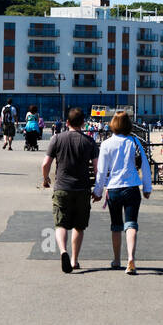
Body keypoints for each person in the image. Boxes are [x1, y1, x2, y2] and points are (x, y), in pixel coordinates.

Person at [42, 107, 100, 274]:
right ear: (83, 123)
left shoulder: (57, 139)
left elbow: (45, 164)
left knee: (61, 224)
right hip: (82, 188)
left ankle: (63, 251)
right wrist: (98, 189)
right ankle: (74, 260)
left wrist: (46, 179)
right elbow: (98, 169)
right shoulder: (89, 142)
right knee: (79, 226)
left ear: (67, 123)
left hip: (62, 187)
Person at [95, 110, 153, 275]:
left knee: (116, 226)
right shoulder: (134, 141)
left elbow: (101, 171)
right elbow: (145, 166)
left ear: (113, 125)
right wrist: (147, 188)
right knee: (131, 224)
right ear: (128, 125)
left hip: (113, 188)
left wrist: (98, 191)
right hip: (132, 187)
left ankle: (116, 259)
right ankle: (131, 259)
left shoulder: (106, 144)